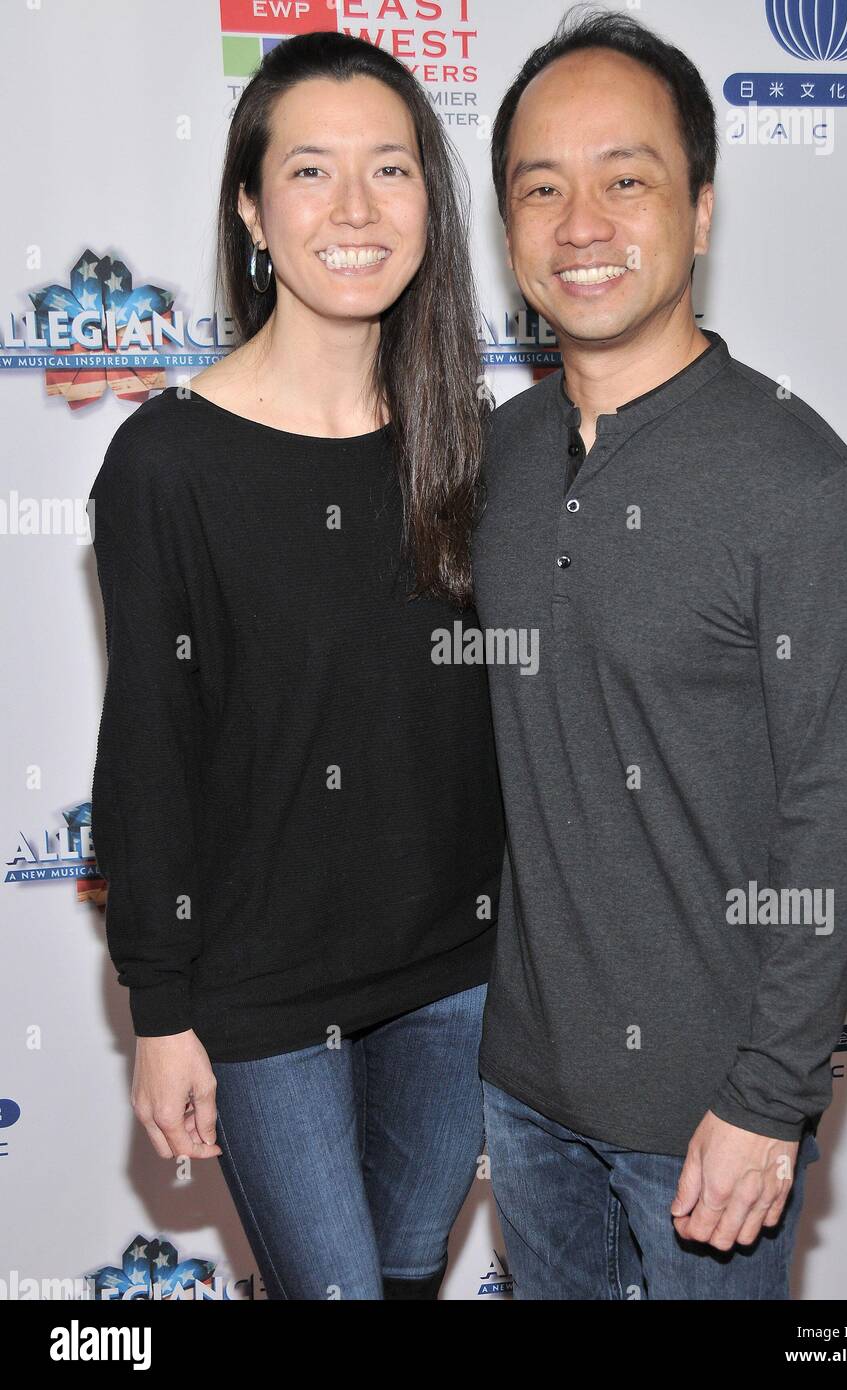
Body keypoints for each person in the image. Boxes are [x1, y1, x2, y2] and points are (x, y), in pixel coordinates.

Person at [473, 7, 847, 1300]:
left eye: (626, 178)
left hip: (708, 1124)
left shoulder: (804, 486)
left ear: (701, 211)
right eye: (540, 188)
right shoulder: (490, 459)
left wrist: (770, 1097)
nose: (580, 223)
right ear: (507, 230)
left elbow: (830, 815)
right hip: (520, 1089)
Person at [86, 30, 505, 1301]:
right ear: (251, 210)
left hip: (460, 975)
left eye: (390, 170)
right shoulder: (167, 461)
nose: (356, 208)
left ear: (431, 203)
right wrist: (161, 1013)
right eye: (312, 172)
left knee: (394, 1272)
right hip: (262, 997)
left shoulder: (480, 449)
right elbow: (151, 746)